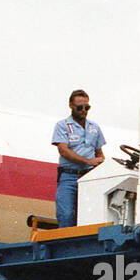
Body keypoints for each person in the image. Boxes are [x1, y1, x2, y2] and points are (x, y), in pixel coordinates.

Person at [50, 89, 105, 227]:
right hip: (69, 177)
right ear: (71, 106)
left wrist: (100, 162)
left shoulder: (94, 127)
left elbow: (99, 153)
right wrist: (88, 161)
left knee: (90, 215)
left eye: (87, 107)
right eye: (80, 107)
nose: (83, 110)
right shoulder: (62, 126)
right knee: (66, 214)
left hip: (89, 177)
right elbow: (63, 150)